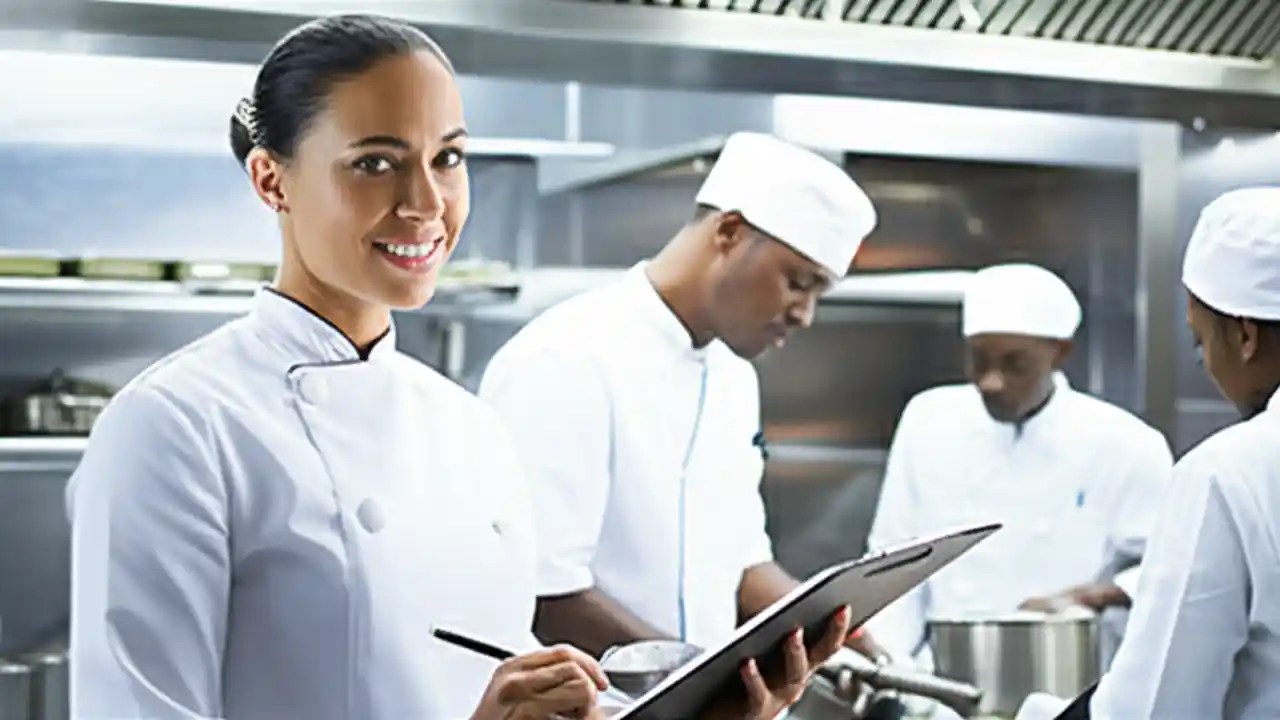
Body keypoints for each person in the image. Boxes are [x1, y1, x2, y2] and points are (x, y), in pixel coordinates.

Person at [65, 15, 847, 720]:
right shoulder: (176, 428)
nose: (426, 203)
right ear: (272, 179)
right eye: (375, 163)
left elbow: (523, 695)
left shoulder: (470, 428)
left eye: (449, 158)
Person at [478, 132, 882, 661]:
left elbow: (740, 564)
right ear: (731, 232)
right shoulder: (567, 358)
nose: (804, 315)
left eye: (817, 294)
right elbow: (544, 595)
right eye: (797, 282)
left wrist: (838, 634)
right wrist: (700, 682)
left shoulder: (732, 377)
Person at [861, 263, 1173, 676]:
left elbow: (1166, 568)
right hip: (942, 678)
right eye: (978, 360)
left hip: (1070, 674)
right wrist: (888, 666)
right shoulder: (930, 418)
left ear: (1060, 351)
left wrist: (1093, 596)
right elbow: (895, 561)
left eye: (1014, 364)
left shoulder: (1126, 443)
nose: (991, 382)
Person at [1088, 187, 1280, 719]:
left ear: (1245, 335)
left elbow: (1158, 706)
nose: (1208, 368)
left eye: (1201, 342)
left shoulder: (1230, 471)